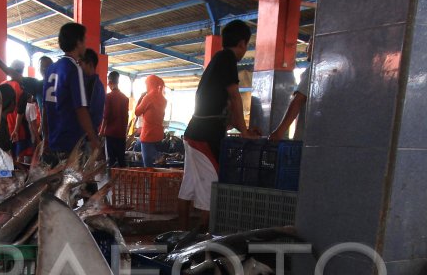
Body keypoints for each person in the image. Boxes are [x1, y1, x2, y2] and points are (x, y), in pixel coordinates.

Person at [179, 19, 260, 229]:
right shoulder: (227, 59)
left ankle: (180, 234)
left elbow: (223, 109)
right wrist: (244, 131)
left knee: (188, 187)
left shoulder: (219, 59)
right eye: (247, 46)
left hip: (195, 132)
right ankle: (198, 242)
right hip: (203, 136)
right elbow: (234, 97)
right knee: (212, 188)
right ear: (242, 43)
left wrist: (243, 128)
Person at [42, 23, 99, 166]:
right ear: (78, 42)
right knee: (79, 186)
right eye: (84, 41)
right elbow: (80, 109)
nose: (85, 45)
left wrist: (46, 138)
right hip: (71, 144)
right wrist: (93, 140)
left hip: (55, 142)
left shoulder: (51, 69)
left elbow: (45, 108)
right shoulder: (73, 69)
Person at [269, 42, 313, 140]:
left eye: (310, 42)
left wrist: (279, 132)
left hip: (305, 141)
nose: (307, 49)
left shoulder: (313, 70)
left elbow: (298, 101)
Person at [134, 74, 167, 168]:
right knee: (154, 164)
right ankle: (158, 156)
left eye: (147, 84)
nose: (146, 87)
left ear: (150, 84)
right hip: (159, 134)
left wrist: (140, 98)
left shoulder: (148, 97)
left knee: (147, 164)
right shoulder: (163, 99)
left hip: (148, 134)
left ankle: (159, 156)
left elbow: (137, 112)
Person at [101, 70, 129, 169]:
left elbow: (106, 115)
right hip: (121, 134)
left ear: (109, 82)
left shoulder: (108, 97)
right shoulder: (125, 98)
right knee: (121, 160)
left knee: (111, 161)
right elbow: (126, 117)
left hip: (110, 134)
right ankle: (124, 182)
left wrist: (101, 132)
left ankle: (110, 182)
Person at [80, 48, 106, 139]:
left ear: (90, 64)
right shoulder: (86, 82)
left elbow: (94, 116)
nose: (79, 67)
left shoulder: (96, 87)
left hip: (86, 137)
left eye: (81, 64)